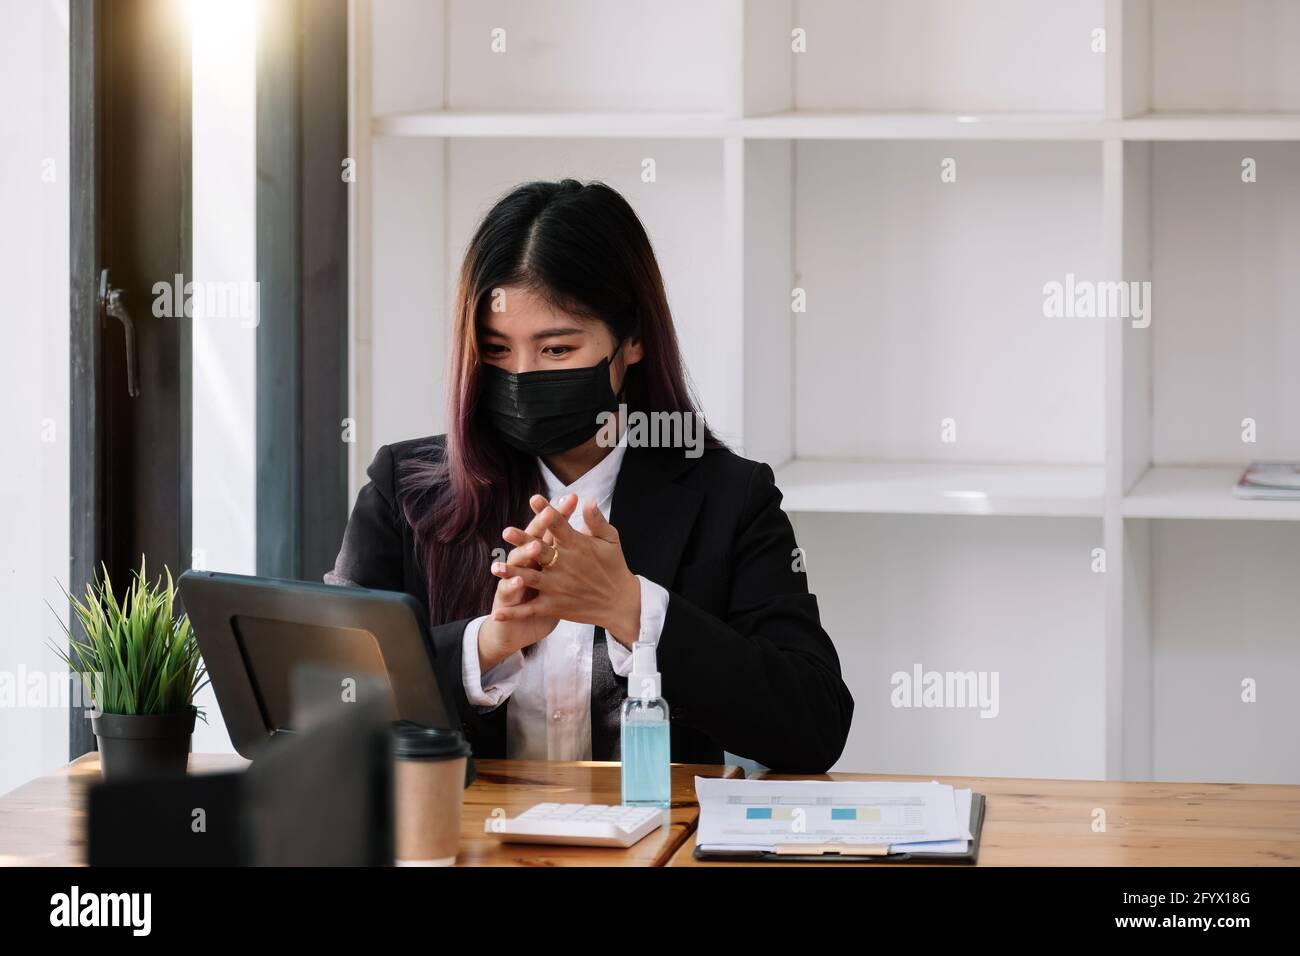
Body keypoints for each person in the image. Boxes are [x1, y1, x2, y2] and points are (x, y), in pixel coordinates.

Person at [326, 179, 853, 772]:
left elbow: (815, 725)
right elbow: (328, 692)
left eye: (556, 350)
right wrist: (486, 645)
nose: (521, 376)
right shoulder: (406, 488)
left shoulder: (731, 497)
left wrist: (633, 609)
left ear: (632, 341)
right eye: (497, 350)